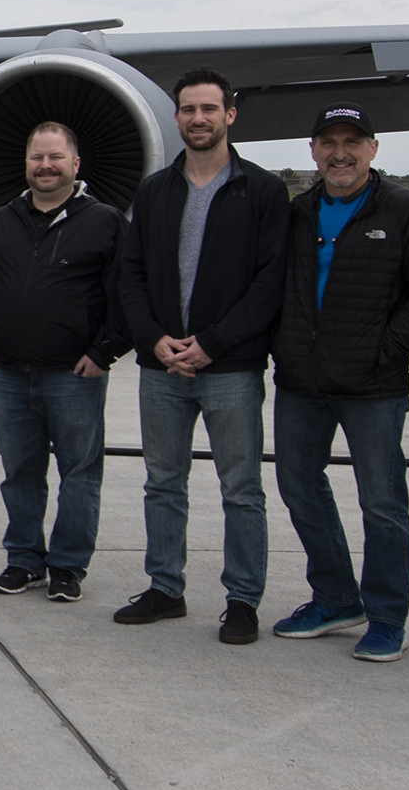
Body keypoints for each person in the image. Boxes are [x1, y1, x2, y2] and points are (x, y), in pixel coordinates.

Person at [265, 105, 409, 664]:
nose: (339, 153)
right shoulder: (297, 213)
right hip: (302, 381)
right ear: (313, 150)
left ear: (373, 148)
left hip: (374, 386)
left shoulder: (408, 211)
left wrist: (381, 350)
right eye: (328, 142)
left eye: (352, 141)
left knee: (382, 502)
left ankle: (388, 616)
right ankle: (336, 598)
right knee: (299, 486)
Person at [111, 69, 290, 642]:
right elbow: (131, 274)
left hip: (229, 368)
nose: (198, 119)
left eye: (209, 109)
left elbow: (269, 284)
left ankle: (242, 599)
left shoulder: (262, 191)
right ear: (177, 117)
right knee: (163, 482)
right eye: (188, 110)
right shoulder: (155, 190)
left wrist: (213, 343)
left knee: (241, 489)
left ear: (230, 115)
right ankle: (166, 588)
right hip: (161, 365)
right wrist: (153, 338)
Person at [0, 123, 128, 601]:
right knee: (20, 473)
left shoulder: (105, 222)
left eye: (56, 158)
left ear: (76, 164)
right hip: (8, 374)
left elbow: (126, 295)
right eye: (37, 158)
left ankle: (68, 566)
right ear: (27, 163)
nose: (46, 166)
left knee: (79, 473)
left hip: (73, 375)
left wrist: (105, 351)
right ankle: (24, 560)